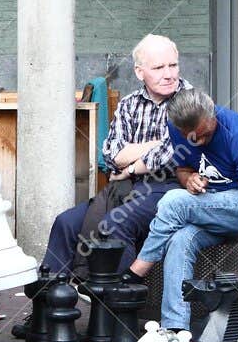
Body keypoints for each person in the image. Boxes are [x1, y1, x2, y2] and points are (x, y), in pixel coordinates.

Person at [122, 88, 238, 330]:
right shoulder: (176, 128)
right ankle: (175, 329)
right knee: (180, 240)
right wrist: (190, 179)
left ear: (212, 112)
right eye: (193, 137)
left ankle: (136, 272)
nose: (201, 141)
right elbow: (182, 169)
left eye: (205, 134)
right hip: (212, 206)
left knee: (174, 201)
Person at [42, 35, 189, 277]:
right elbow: (112, 154)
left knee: (115, 222)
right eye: (159, 67)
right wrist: (155, 144)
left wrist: (131, 164)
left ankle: (116, 303)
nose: (169, 74)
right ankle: (51, 304)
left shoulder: (190, 100)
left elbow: (171, 153)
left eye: (173, 65)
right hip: (125, 186)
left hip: (170, 186)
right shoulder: (129, 104)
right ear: (140, 72)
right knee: (66, 222)